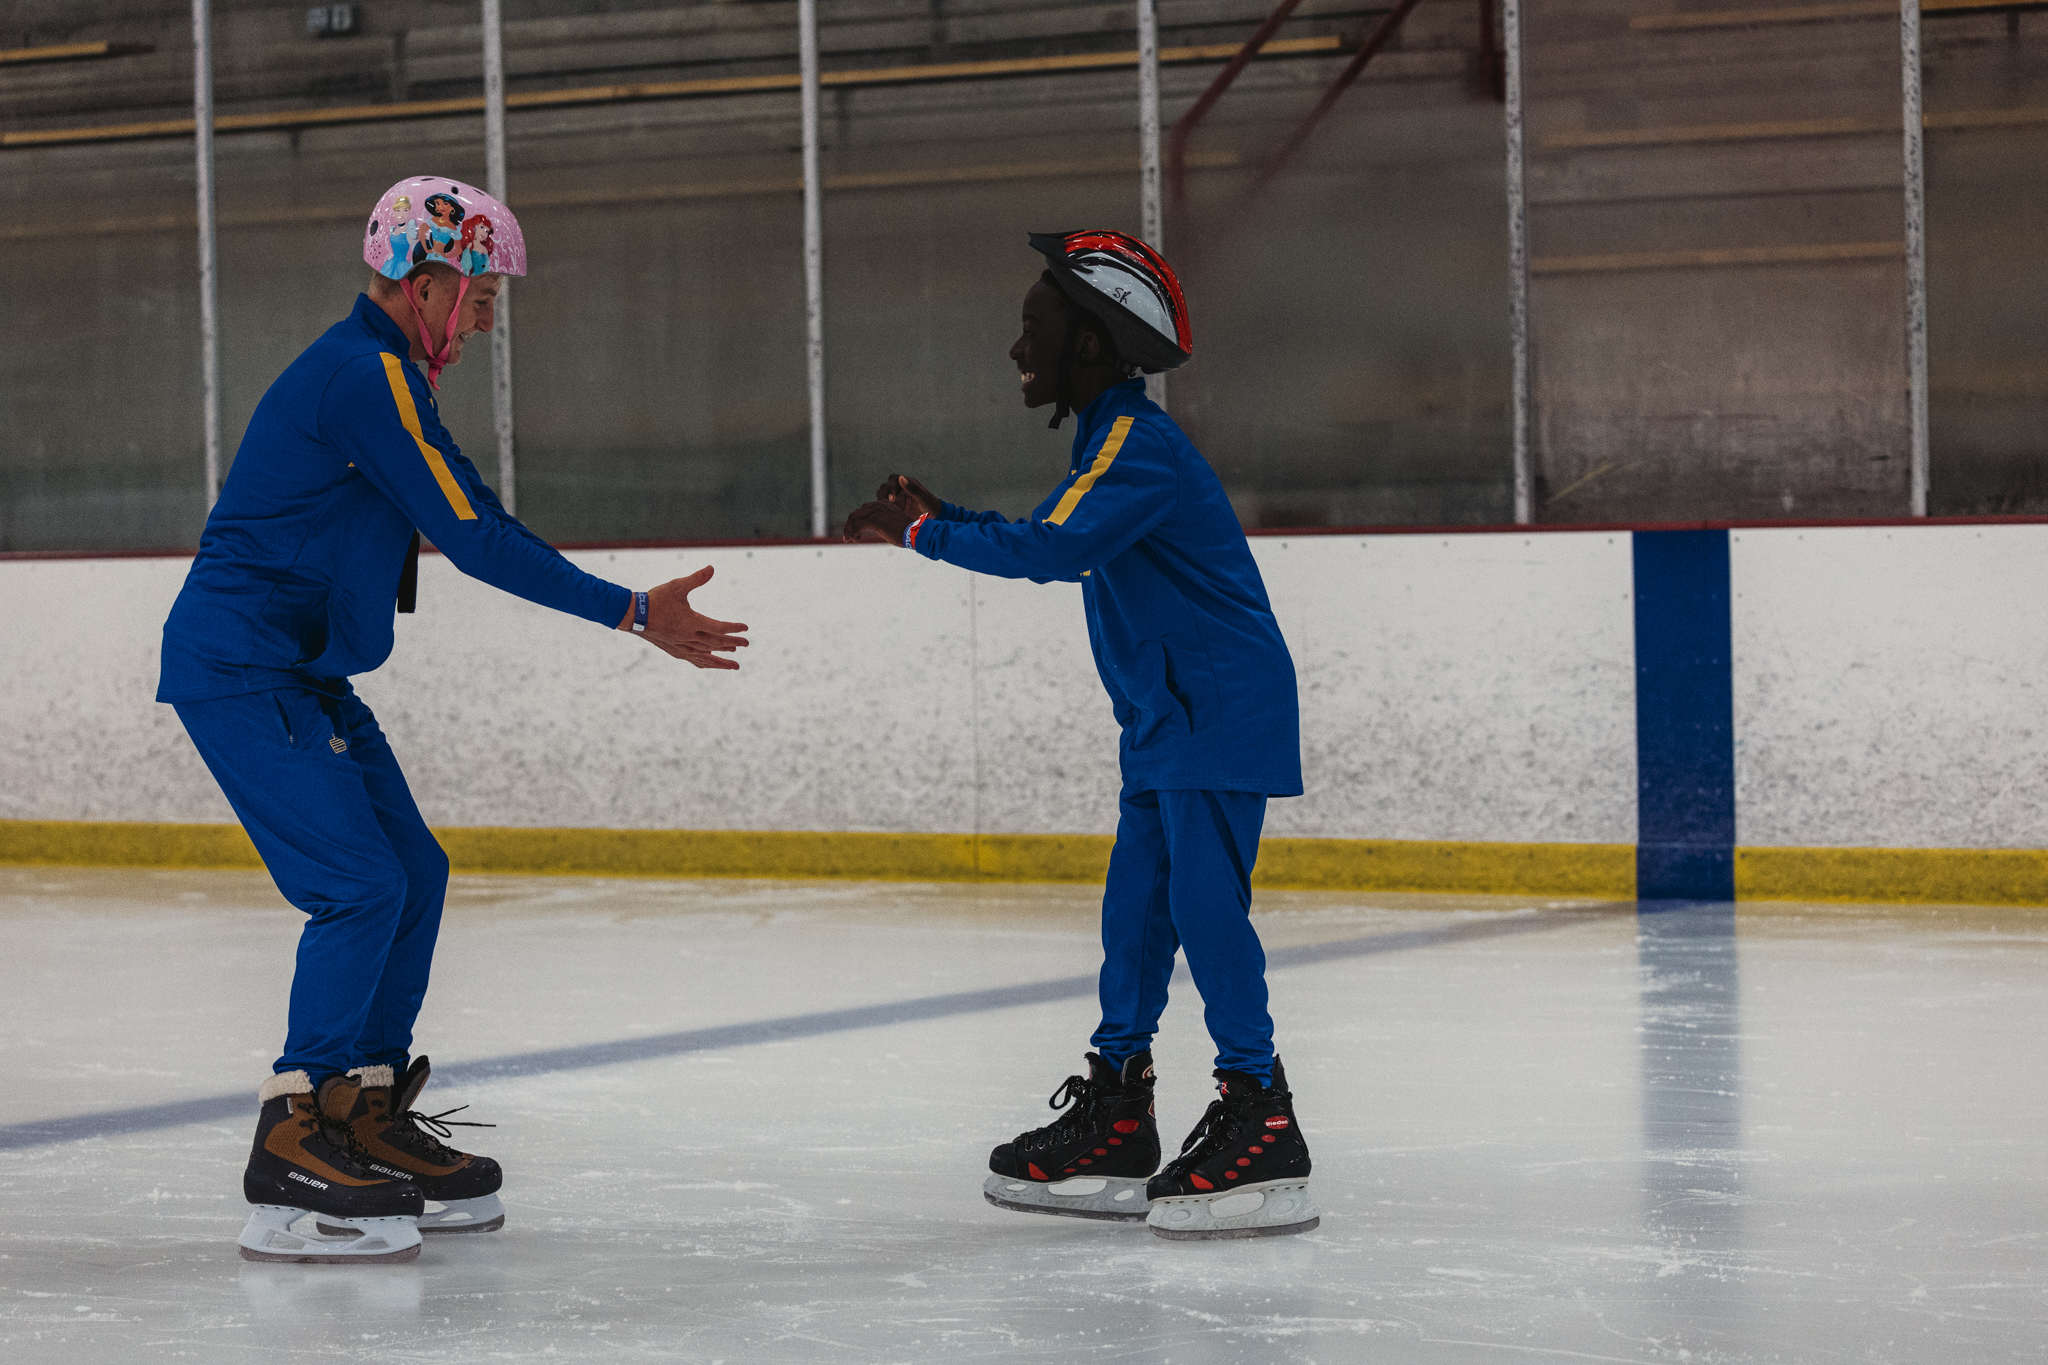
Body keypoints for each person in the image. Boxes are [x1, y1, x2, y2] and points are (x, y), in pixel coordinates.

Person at [158, 174, 749, 1265]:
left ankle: (364, 1110)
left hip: (301, 674)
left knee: (413, 873)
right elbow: (476, 533)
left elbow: (468, 509)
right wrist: (629, 612)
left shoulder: (383, 381)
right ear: (427, 282)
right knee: (360, 884)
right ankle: (294, 1136)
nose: (483, 322)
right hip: (241, 669)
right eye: (479, 298)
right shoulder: (361, 376)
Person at [841, 231, 1318, 1241]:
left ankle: (1258, 1111)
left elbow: (1053, 549)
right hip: (1166, 714)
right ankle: (1117, 1108)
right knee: (1135, 911)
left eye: (1034, 328)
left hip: (1216, 707)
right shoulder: (1105, 439)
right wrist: (947, 514)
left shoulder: (1133, 441)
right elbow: (1058, 525)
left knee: (1202, 906)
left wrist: (923, 533)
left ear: (1093, 346)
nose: (1017, 348)